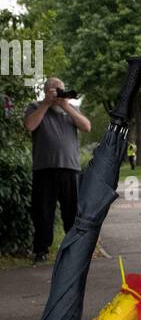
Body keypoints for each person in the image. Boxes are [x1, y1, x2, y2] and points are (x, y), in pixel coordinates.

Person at [23, 77, 91, 263]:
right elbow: (30, 125)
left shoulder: (71, 110)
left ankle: (74, 250)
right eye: (54, 89)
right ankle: (41, 251)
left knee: (72, 212)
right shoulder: (35, 106)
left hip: (70, 169)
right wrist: (46, 103)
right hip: (44, 170)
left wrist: (66, 106)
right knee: (42, 212)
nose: (58, 92)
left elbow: (86, 126)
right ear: (45, 91)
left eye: (60, 89)